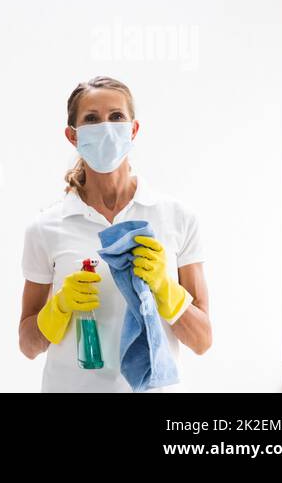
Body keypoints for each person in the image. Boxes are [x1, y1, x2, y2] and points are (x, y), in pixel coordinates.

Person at [18, 76, 212, 392]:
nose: (105, 128)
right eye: (91, 119)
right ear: (73, 135)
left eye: (116, 117)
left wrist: (166, 289)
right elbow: (28, 345)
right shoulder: (45, 228)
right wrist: (59, 308)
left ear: (133, 130)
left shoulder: (177, 217)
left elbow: (202, 340)